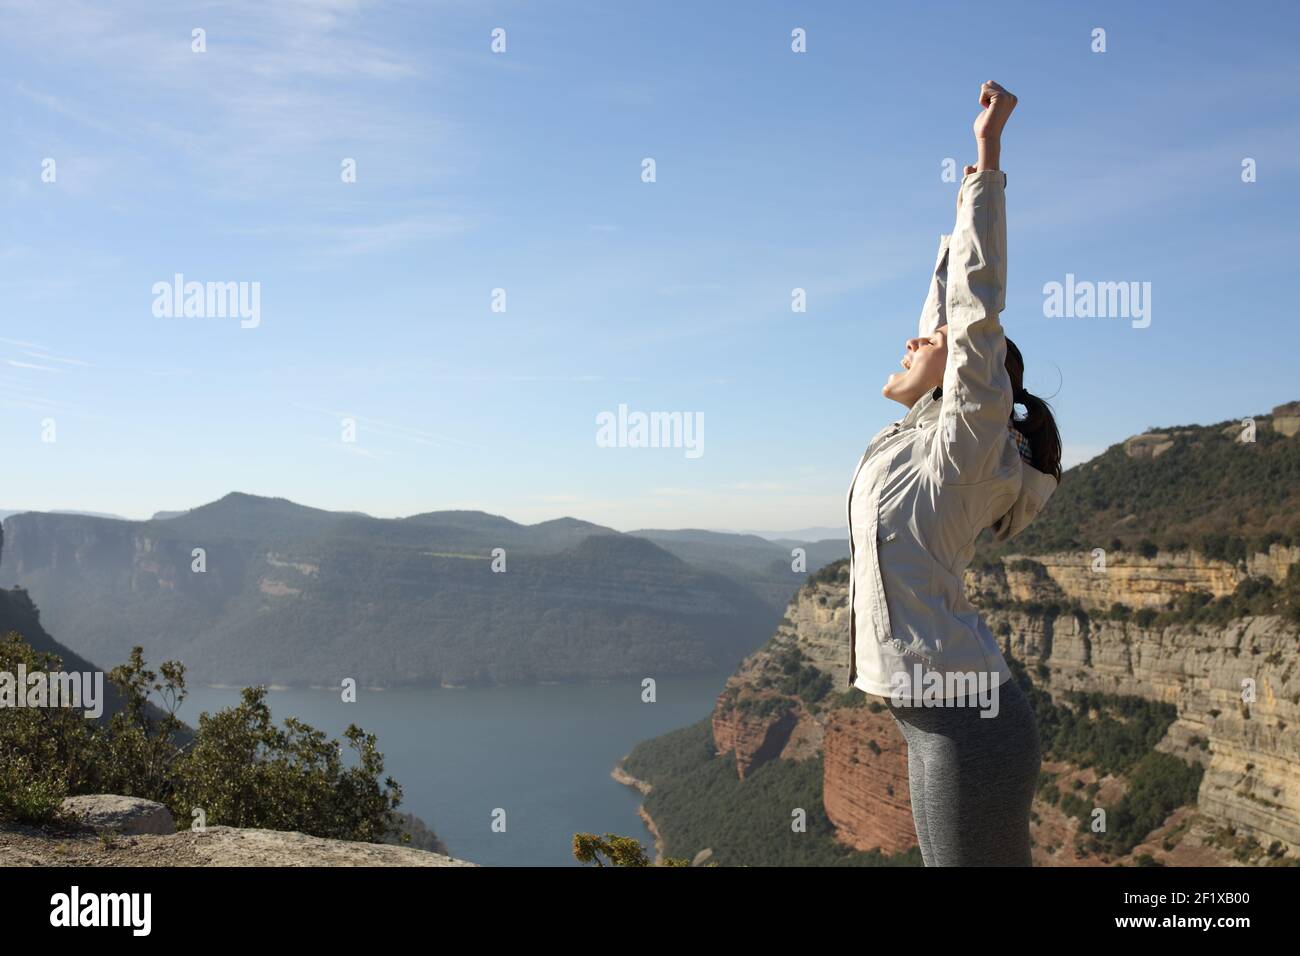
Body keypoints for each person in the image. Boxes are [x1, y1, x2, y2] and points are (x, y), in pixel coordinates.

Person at [844, 81, 1063, 866]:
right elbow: (945, 299)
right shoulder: (918, 436)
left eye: (928, 341)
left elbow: (972, 312)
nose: (911, 343)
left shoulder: (962, 447)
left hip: (968, 723)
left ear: (976, 375)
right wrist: (952, 222)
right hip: (933, 718)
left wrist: (988, 155)